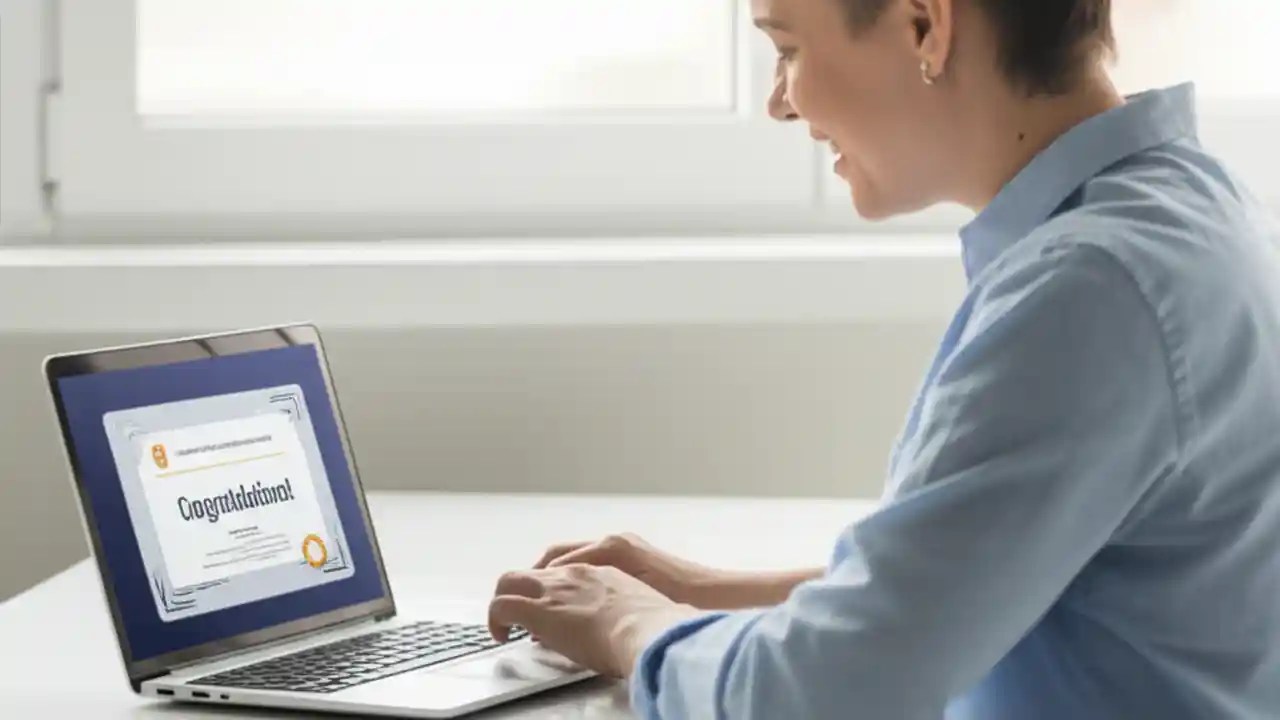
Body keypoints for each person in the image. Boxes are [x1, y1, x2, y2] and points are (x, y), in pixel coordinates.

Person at [487, 0, 1280, 717]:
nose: (778, 101)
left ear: (925, 25)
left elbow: (828, 692)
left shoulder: (1089, 292)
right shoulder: (1189, 213)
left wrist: (630, 626)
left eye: (788, 49)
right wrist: (700, 593)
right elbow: (984, 588)